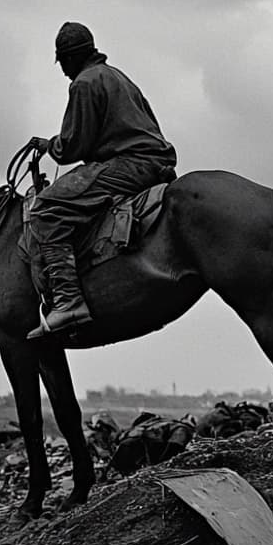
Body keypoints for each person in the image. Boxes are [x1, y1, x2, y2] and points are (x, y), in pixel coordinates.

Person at [23, 22, 177, 338]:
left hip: (128, 165)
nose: (63, 71)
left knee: (45, 209)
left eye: (63, 63)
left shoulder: (84, 83)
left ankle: (68, 301)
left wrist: (50, 146)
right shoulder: (117, 76)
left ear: (69, 58)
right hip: (156, 162)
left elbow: (71, 148)